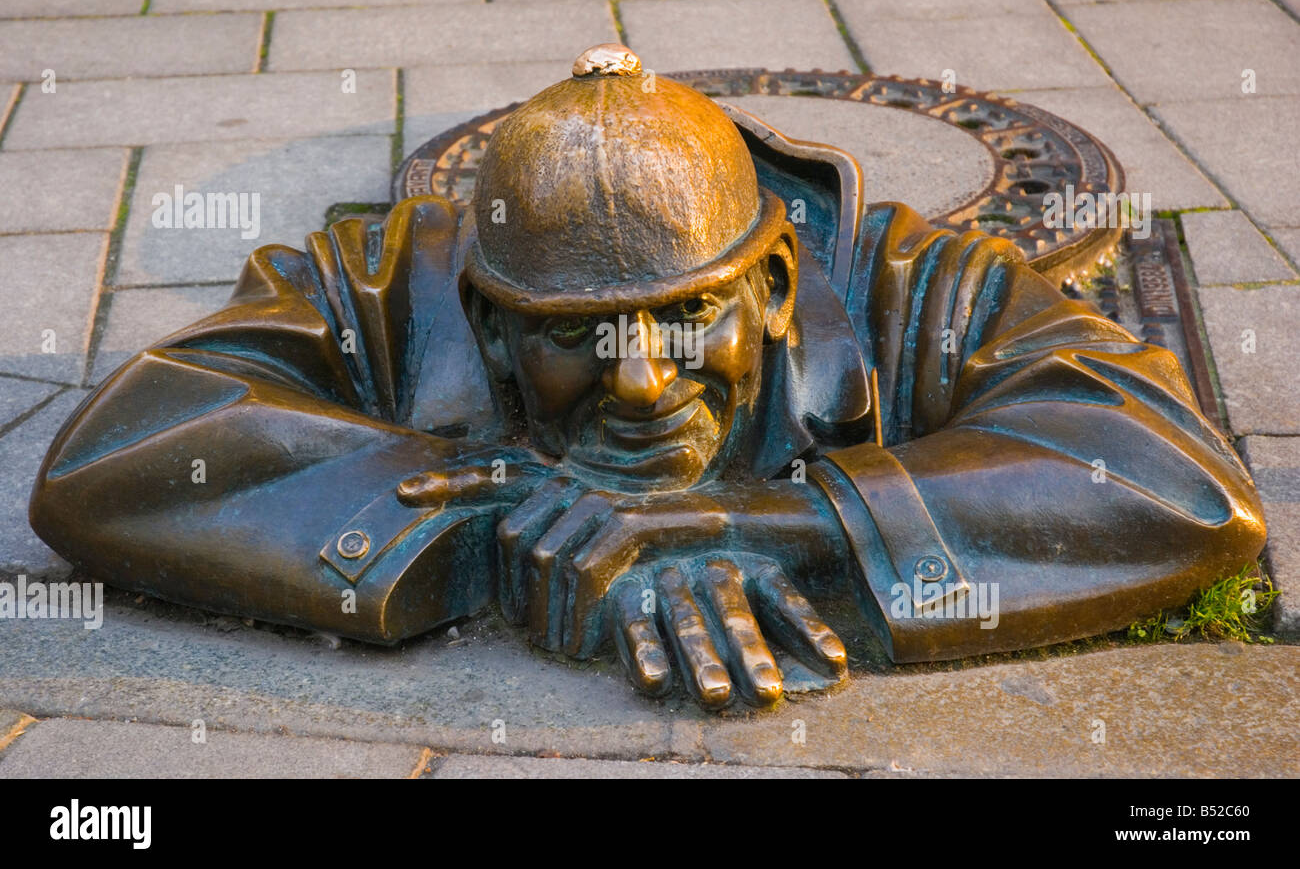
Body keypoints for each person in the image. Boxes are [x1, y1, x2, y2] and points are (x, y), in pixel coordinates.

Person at [30, 45, 1266, 709]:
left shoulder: (919, 287)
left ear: (774, 288)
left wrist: (769, 524)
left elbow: (1175, 479)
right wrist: (503, 518)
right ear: (490, 320)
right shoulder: (389, 281)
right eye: (573, 334)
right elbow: (119, 451)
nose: (636, 385)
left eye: (687, 317)